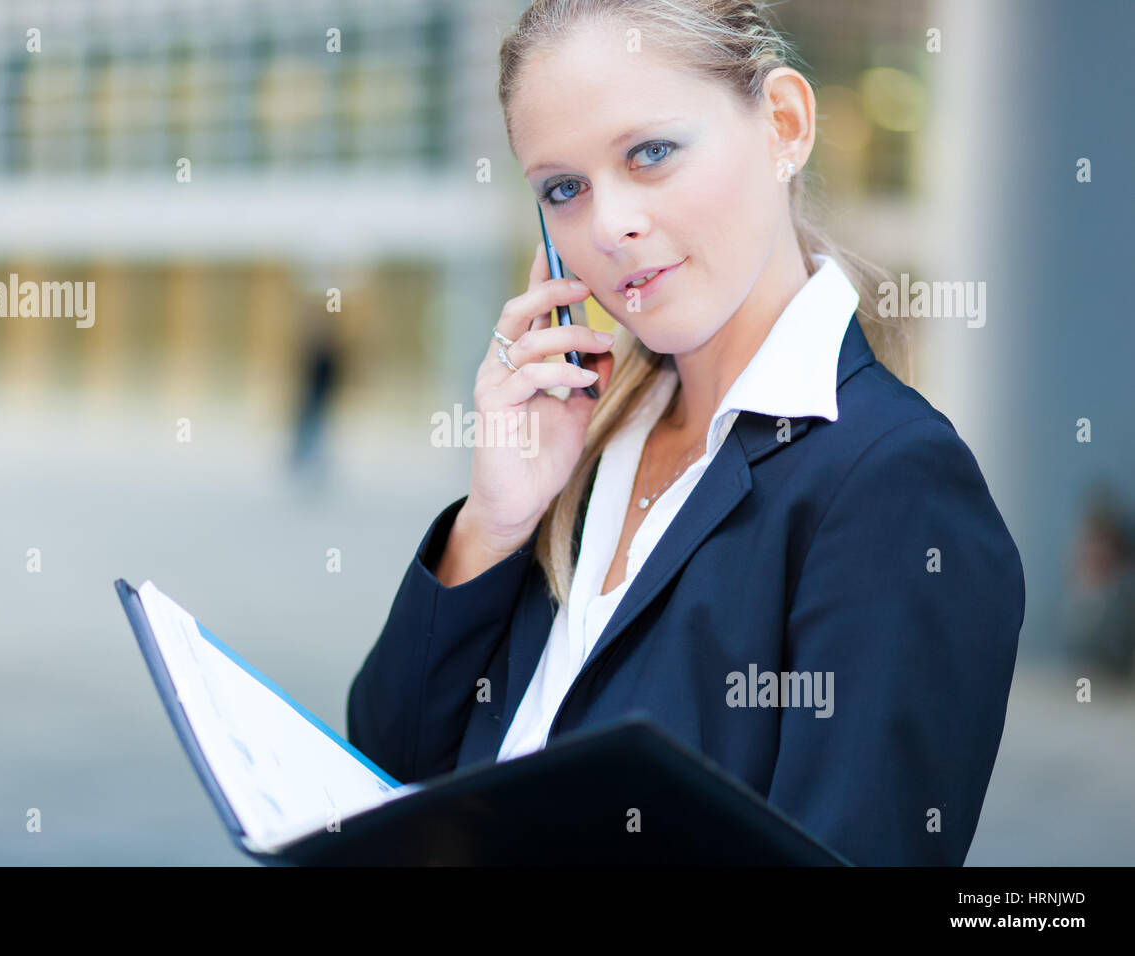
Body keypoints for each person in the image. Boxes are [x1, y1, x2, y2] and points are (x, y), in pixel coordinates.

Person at [348, 0, 1025, 866]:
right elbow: (388, 759)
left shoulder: (894, 484)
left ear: (784, 124)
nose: (608, 226)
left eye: (651, 153)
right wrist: (495, 521)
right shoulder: (583, 444)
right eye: (565, 188)